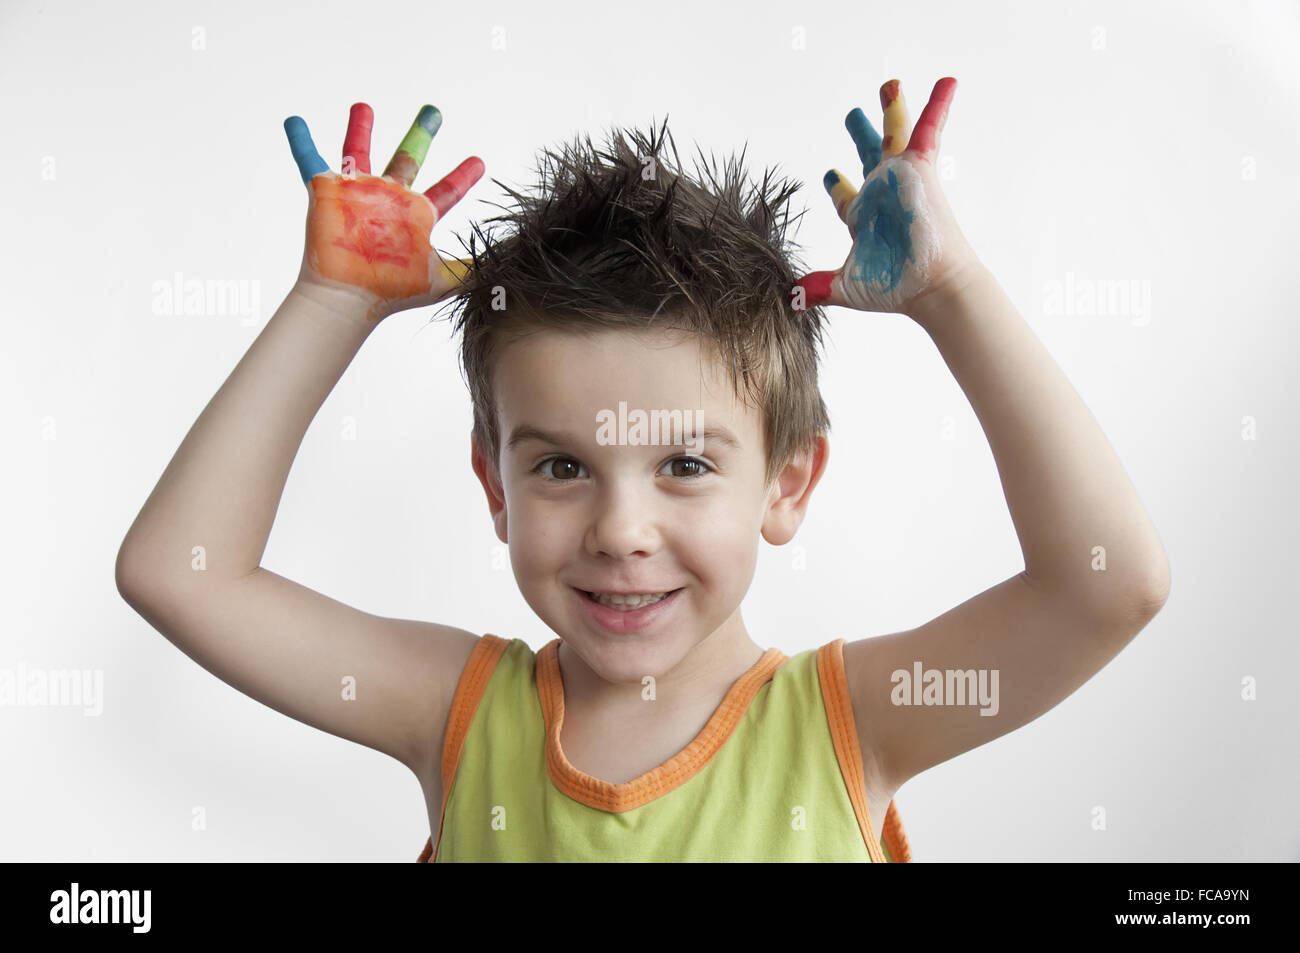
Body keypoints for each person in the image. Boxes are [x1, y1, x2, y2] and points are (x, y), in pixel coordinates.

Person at [115, 78, 1170, 862]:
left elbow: (1105, 582)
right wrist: (330, 302)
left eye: (681, 463)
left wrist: (956, 292)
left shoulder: (854, 720)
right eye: (565, 464)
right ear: (495, 487)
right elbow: (182, 572)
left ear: (788, 483)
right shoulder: (455, 711)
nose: (621, 528)